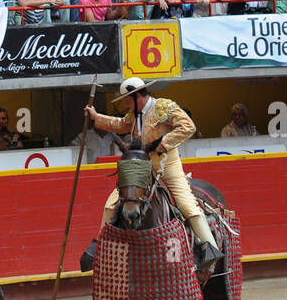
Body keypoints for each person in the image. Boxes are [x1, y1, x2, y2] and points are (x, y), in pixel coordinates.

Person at [84, 77, 224, 268]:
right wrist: (96, 117)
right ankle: (99, 248)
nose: (125, 102)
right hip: (141, 168)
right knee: (111, 205)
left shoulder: (163, 106)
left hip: (167, 164)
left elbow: (188, 126)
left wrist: (163, 145)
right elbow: (121, 125)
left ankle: (210, 247)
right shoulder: (133, 114)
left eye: (127, 98)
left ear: (136, 96)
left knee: (186, 203)